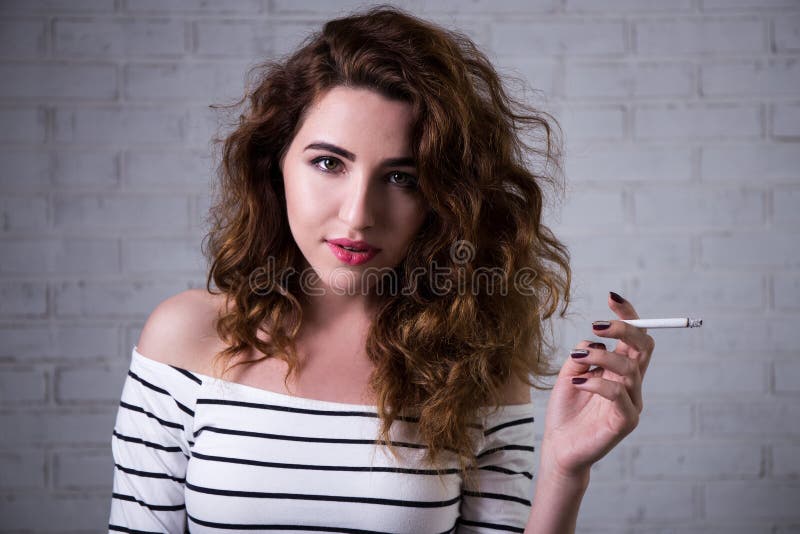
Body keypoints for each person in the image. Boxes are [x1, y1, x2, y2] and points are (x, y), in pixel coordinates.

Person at [108, 6, 654, 533]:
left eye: (402, 178)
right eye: (328, 163)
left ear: (444, 198)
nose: (357, 215)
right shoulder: (184, 338)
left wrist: (564, 468)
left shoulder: (474, 364)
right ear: (275, 165)